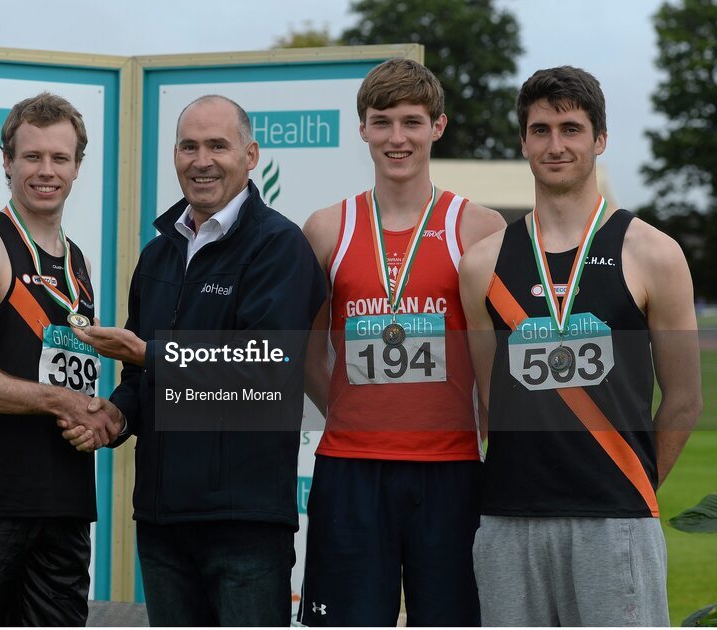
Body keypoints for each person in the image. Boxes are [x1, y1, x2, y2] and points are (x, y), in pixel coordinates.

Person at [66, 94, 325, 626]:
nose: (201, 160)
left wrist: (148, 354)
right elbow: (142, 377)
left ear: (251, 156)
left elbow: (267, 367)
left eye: (217, 146)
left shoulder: (279, 246)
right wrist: (116, 417)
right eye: (188, 146)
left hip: (243, 521)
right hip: (163, 519)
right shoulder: (160, 252)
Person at [459, 66, 701, 626]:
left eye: (571, 129)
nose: (555, 144)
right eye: (540, 130)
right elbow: (490, 399)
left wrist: (629, 488)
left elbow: (685, 400)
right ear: (523, 142)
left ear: (600, 139)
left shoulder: (653, 253)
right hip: (507, 522)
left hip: (616, 520)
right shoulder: (483, 264)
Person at [295, 57, 506, 626]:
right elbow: (308, 353)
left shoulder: (481, 228)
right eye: (382, 121)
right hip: (351, 469)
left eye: (412, 122)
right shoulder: (327, 227)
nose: (397, 138)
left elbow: (498, 362)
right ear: (361, 127)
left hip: (452, 470)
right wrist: (352, 412)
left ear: (437, 127)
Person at [0, 93, 123, 627]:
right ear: (6, 162)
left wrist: (91, 416)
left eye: (60, 158)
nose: (46, 171)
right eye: (32, 157)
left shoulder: (75, 260)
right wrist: (58, 400)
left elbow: (58, 370)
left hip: (64, 501)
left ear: (78, 165)